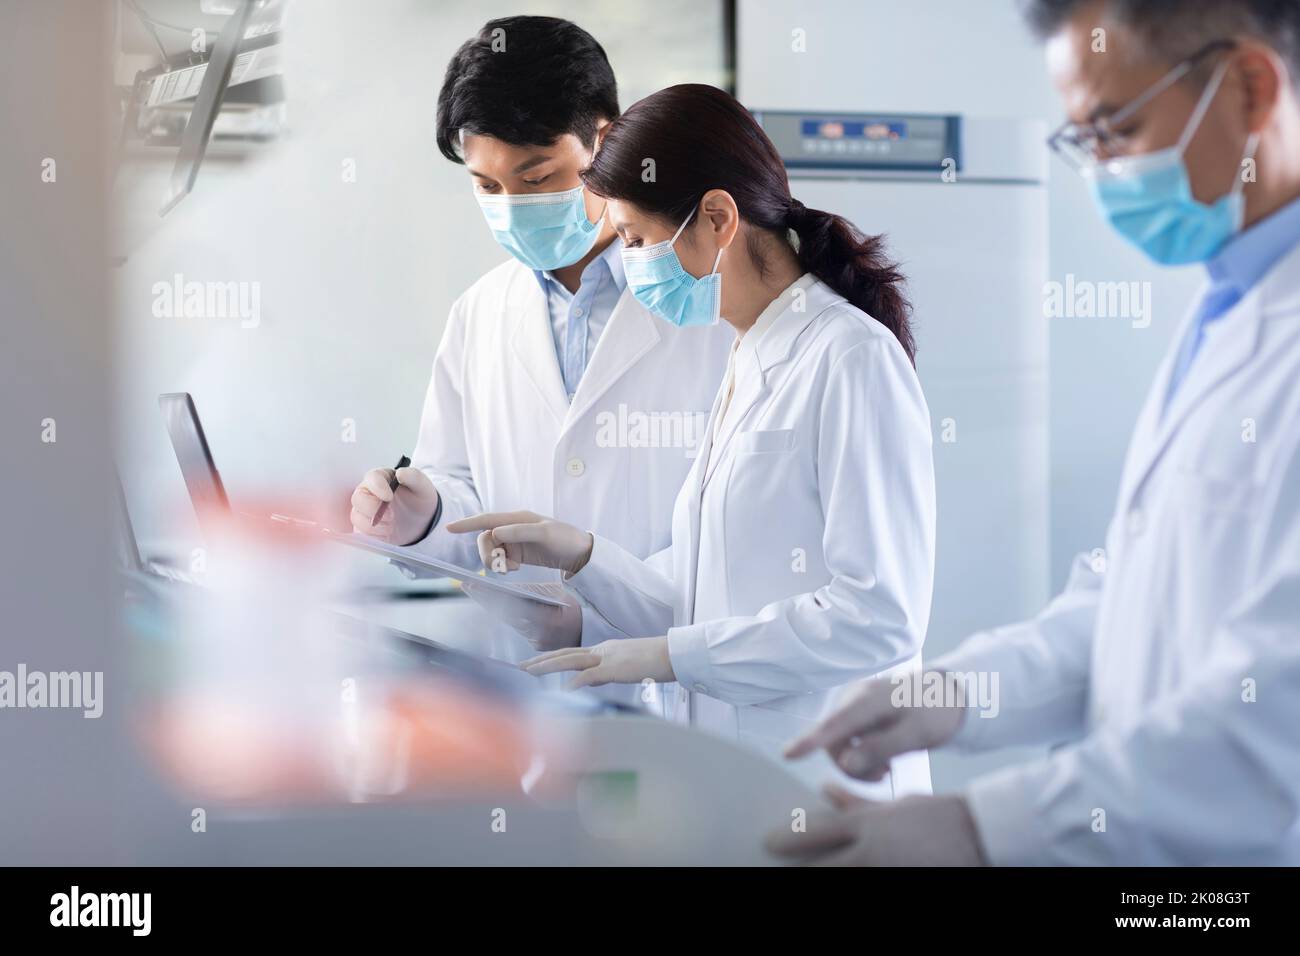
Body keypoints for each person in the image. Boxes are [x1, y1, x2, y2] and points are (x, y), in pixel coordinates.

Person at [772, 0, 1300, 865]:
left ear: (1249, 86)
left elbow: (1275, 715)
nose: (1099, 168)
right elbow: (1135, 598)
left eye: (1115, 129)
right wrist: (962, 691)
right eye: (1080, 140)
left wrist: (987, 829)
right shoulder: (1227, 307)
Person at [448, 84, 937, 795]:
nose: (635, 265)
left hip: (831, 785)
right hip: (747, 780)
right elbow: (709, 589)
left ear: (717, 217)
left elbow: (879, 617)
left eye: (641, 241)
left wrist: (671, 658)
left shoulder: (849, 357)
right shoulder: (746, 352)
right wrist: (584, 555)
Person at [347, 18, 731, 670]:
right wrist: (424, 511)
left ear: (605, 142)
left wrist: (599, 607)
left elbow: (747, 518)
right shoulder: (480, 312)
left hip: (685, 673)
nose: (512, 206)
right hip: (541, 685)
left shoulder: (705, 297)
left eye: (537, 178)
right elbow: (464, 483)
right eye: (487, 186)